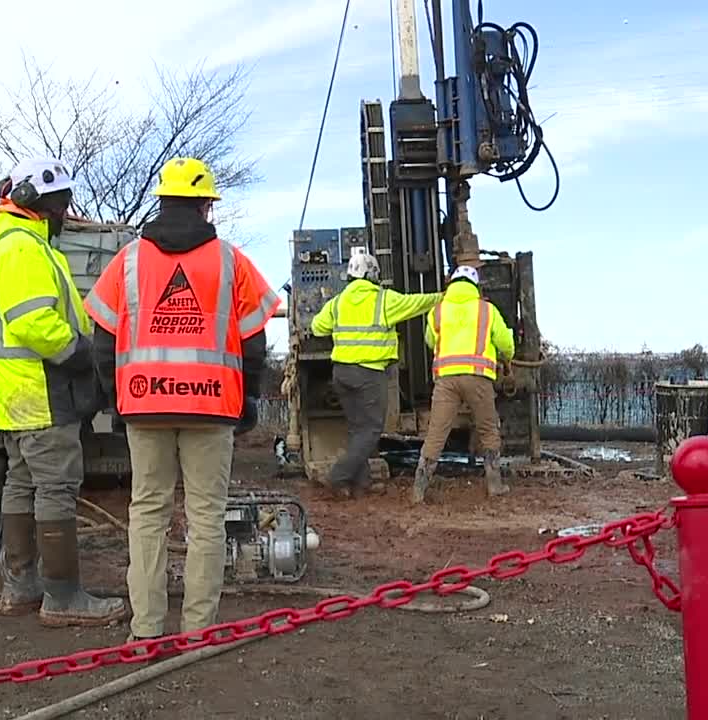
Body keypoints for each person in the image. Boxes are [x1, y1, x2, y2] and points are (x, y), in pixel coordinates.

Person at [84, 156, 280, 642]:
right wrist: (246, 400)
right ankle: (198, 632)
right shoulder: (231, 260)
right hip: (212, 408)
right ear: (205, 206)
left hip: (144, 405)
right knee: (206, 516)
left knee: (147, 514)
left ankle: (146, 630)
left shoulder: (128, 260)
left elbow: (101, 339)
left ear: (163, 201)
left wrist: (118, 396)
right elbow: (254, 344)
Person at [0, 157, 127, 628]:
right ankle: (63, 597)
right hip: (41, 390)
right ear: (34, 200)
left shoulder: (11, 242)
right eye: (60, 202)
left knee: (22, 483)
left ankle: (21, 587)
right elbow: (33, 321)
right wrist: (79, 351)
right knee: (55, 487)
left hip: (16, 394)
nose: (65, 212)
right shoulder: (20, 247)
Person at [310, 250, 442, 497]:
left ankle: (360, 485)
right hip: (369, 375)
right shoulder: (383, 300)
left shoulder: (337, 302)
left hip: (341, 373)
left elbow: (317, 327)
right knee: (371, 431)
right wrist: (442, 297)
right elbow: (416, 303)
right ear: (372, 274)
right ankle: (338, 476)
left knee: (357, 430)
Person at [412, 265, 515, 504]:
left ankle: (419, 489)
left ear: (451, 284)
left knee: (436, 434)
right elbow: (505, 342)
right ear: (475, 286)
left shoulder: (438, 311)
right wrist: (507, 357)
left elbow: (430, 341)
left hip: (446, 380)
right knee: (488, 430)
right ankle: (494, 484)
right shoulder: (487, 310)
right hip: (478, 378)